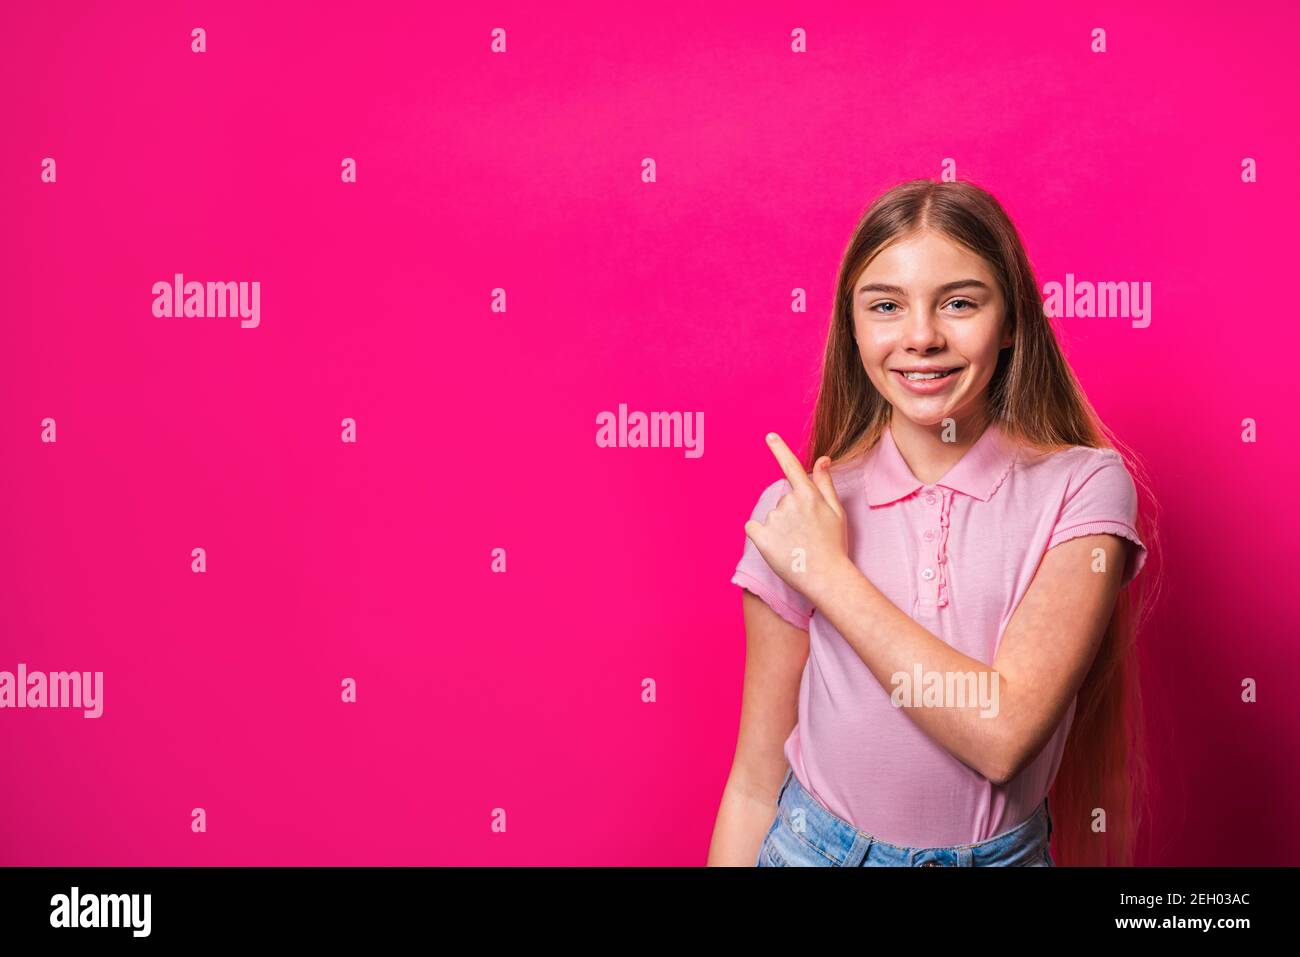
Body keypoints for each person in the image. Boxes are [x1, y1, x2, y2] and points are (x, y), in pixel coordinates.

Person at [707, 179, 1158, 867]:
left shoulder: (1084, 485)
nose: (921, 336)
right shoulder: (797, 513)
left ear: (1011, 322)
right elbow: (753, 781)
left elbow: (1003, 734)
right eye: (886, 305)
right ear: (853, 326)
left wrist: (828, 574)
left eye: (959, 302)